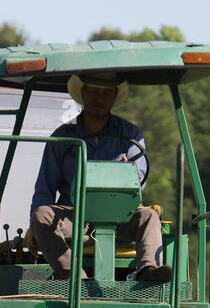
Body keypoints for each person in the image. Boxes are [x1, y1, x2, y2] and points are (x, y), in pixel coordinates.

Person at [30, 72, 172, 285]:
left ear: (114, 97)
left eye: (106, 93)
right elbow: (44, 189)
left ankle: (148, 271)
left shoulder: (130, 135)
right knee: (41, 216)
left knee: (150, 216)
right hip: (74, 217)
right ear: (83, 93)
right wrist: (36, 231)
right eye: (94, 91)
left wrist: (125, 177)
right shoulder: (62, 137)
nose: (99, 98)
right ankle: (75, 278)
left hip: (119, 217)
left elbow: (138, 184)